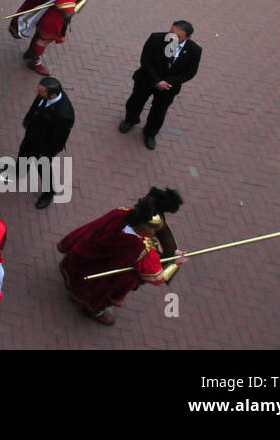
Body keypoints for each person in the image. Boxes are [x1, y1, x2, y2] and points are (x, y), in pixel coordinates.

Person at [58, 186, 187, 326]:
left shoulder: (120, 212)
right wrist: (175, 263)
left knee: (80, 278)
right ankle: (94, 311)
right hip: (106, 275)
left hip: (86, 255)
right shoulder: (143, 250)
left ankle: (75, 292)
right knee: (106, 292)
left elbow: (95, 226)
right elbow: (156, 277)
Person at [119, 21, 202, 150]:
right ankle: (130, 120)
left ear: (188, 38)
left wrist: (168, 82)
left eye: (178, 36)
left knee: (159, 111)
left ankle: (150, 133)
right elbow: (145, 61)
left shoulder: (195, 50)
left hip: (168, 88)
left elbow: (190, 73)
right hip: (147, 79)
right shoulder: (156, 38)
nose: (173, 38)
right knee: (135, 101)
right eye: (171, 33)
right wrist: (157, 81)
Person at [17, 76, 75, 209]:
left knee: (43, 168)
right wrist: (28, 120)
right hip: (32, 134)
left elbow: (59, 139)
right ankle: (20, 171)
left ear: (53, 95)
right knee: (23, 151)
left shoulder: (64, 114)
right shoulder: (45, 94)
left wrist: (46, 153)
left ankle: (48, 193)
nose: (38, 93)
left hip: (44, 146)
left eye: (41, 92)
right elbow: (35, 106)